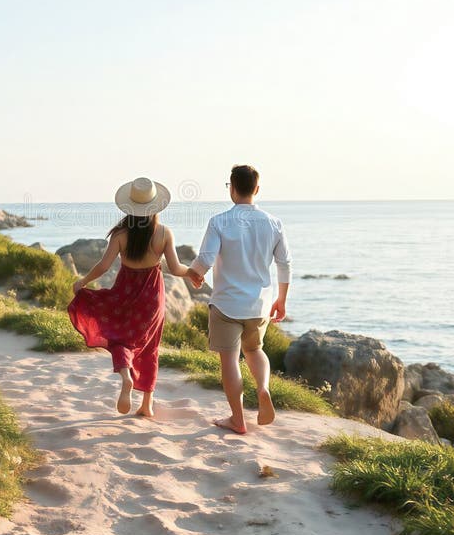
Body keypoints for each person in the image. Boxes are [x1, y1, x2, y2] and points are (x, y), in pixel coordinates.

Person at [68, 177, 199, 418]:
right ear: (155, 206)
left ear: (129, 207)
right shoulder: (164, 233)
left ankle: (126, 375)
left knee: (120, 339)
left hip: (124, 293)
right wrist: (191, 273)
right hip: (152, 297)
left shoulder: (120, 234)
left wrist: (83, 282)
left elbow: (104, 266)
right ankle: (147, 404)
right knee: (150, 346)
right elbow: (176, 268)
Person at [188, 165, 292, 434]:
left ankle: (237, 419)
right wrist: (281, 300)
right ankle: (264, 388)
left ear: (232, 189)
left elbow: (206, 259)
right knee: (255, 350)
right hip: (258, 305)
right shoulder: (274, 222)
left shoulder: (219, 221)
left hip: (226, 304)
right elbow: (284, 264)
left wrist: (195, 274)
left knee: (230, 360)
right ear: (256, 189)